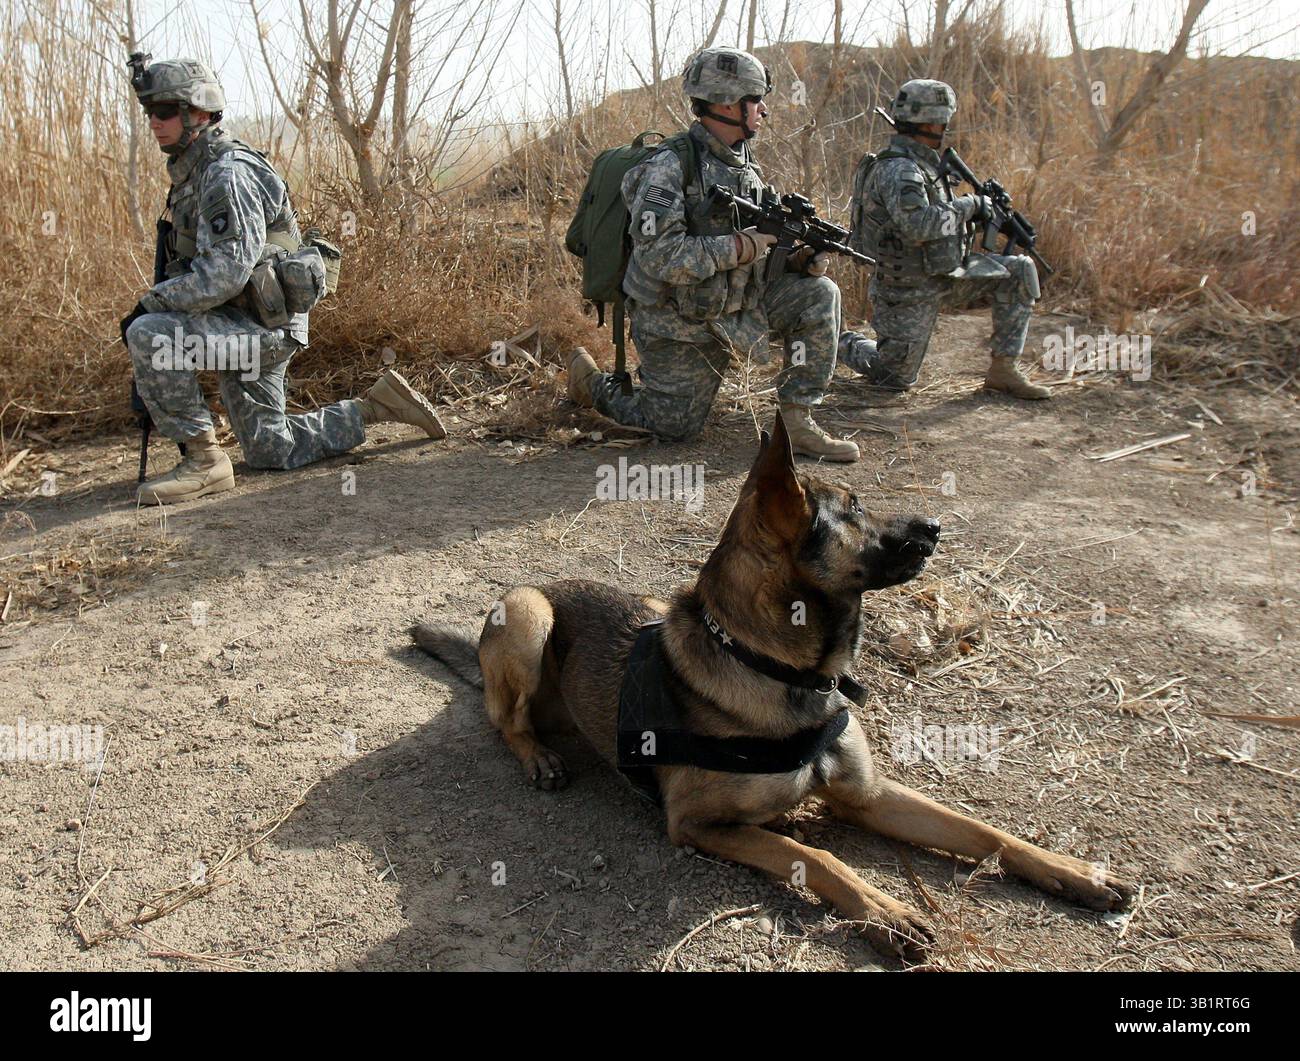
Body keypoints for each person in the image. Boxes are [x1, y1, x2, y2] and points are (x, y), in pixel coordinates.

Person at [121, 57, 446, 505]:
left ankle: (204, 463)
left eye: (164, 112)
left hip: (262, 328)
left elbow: (226, 272)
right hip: (250, 322)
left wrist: (152, 303)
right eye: (149, 113)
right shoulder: (197, 171)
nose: (154, 123)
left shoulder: (225, 174)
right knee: (270, 449)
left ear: (198, 113)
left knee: (151, 333)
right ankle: (377, 407)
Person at [567, 47, 861, 461]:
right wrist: (744, 246)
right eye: (755, 99)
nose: (763, 110)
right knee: (671, 428)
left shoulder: (746, 166)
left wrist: (796, 259)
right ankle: (591, 383)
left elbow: (759, 244)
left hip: (736, 308)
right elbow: (660, 257)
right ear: (727, 102)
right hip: (677, 321)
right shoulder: (668, 168)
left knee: (819, 293)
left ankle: (796, 421)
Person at [840, 79, 1050, 399]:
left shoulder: (927, 166)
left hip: (947, 271)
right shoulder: (900, 169)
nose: (945, 127)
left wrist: (986, 218)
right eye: (943, 121)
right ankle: (840, 342)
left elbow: (943, 225)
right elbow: (919, 226)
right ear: (931, 122)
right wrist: (970, 206)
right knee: (894, 378)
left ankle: (1003, 371)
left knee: (1019, 270)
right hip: (906, 288)